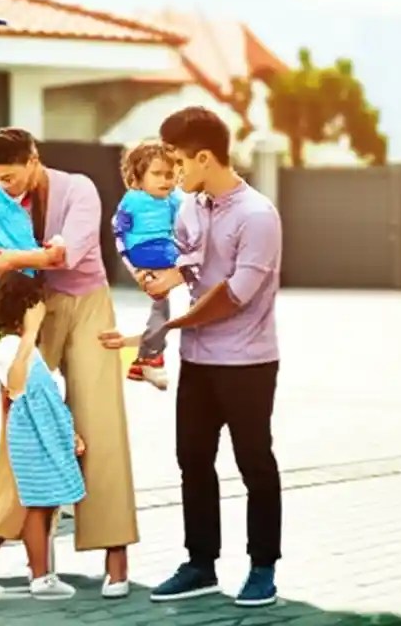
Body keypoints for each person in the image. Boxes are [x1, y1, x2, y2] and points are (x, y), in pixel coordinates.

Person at [99, 106, 284, 608]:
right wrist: (151, 277)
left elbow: (234, 294)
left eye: (179, 161)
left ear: (205, 157)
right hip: (199, 361)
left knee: (254, 463)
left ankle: (263, 566)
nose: (174, 172)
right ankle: (201, 563)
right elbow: (182, 260)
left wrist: (158, 333)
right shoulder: (190, 207)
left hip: (248, 362)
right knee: (193, 461)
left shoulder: (257, 215)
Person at [0, 127, 139, 599]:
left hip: (87, 304)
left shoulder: (79, 189)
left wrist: (8, 259)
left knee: (100, 422)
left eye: (11, 177)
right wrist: (9, 271)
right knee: (20, 420)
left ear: (34, 159)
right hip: (31, 310)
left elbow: (67, 255)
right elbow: (3, 266)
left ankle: (113, 548)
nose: (5, 187)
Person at [0, 271, 87, 599]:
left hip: (47, 433)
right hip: (31, 437)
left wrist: (70, 434)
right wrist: (28, 336)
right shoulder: (11, 347)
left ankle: (44, 571)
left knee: (46, 502)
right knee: (39, 504)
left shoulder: (30, 348)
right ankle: (40, 576)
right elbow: (16, 385)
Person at [112, 139, 195, 390]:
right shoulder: (132, 200)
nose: (165, 180)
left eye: (170, 174)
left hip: (163, 250)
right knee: (199, 267)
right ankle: (149, 357)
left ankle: (147, 359)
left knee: (162, 307)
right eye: (157, 174)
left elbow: (188, 217)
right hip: (148, 251)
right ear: (137, 177)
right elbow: (119, 233)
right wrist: (134, 267)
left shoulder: (172, 199)